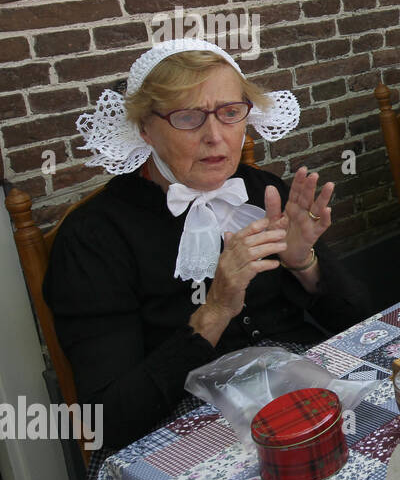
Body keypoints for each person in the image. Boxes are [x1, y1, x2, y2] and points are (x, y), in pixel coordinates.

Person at [45, 39, 371, 454]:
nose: (215, 137)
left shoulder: (264, 191)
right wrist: (215, 310)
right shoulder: (94, 238)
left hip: (304, 398)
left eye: (230, 113)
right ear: (144, 127)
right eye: (188, 117)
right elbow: (107, 423)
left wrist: (303, 263)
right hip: (184, 434)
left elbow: (359, 318)